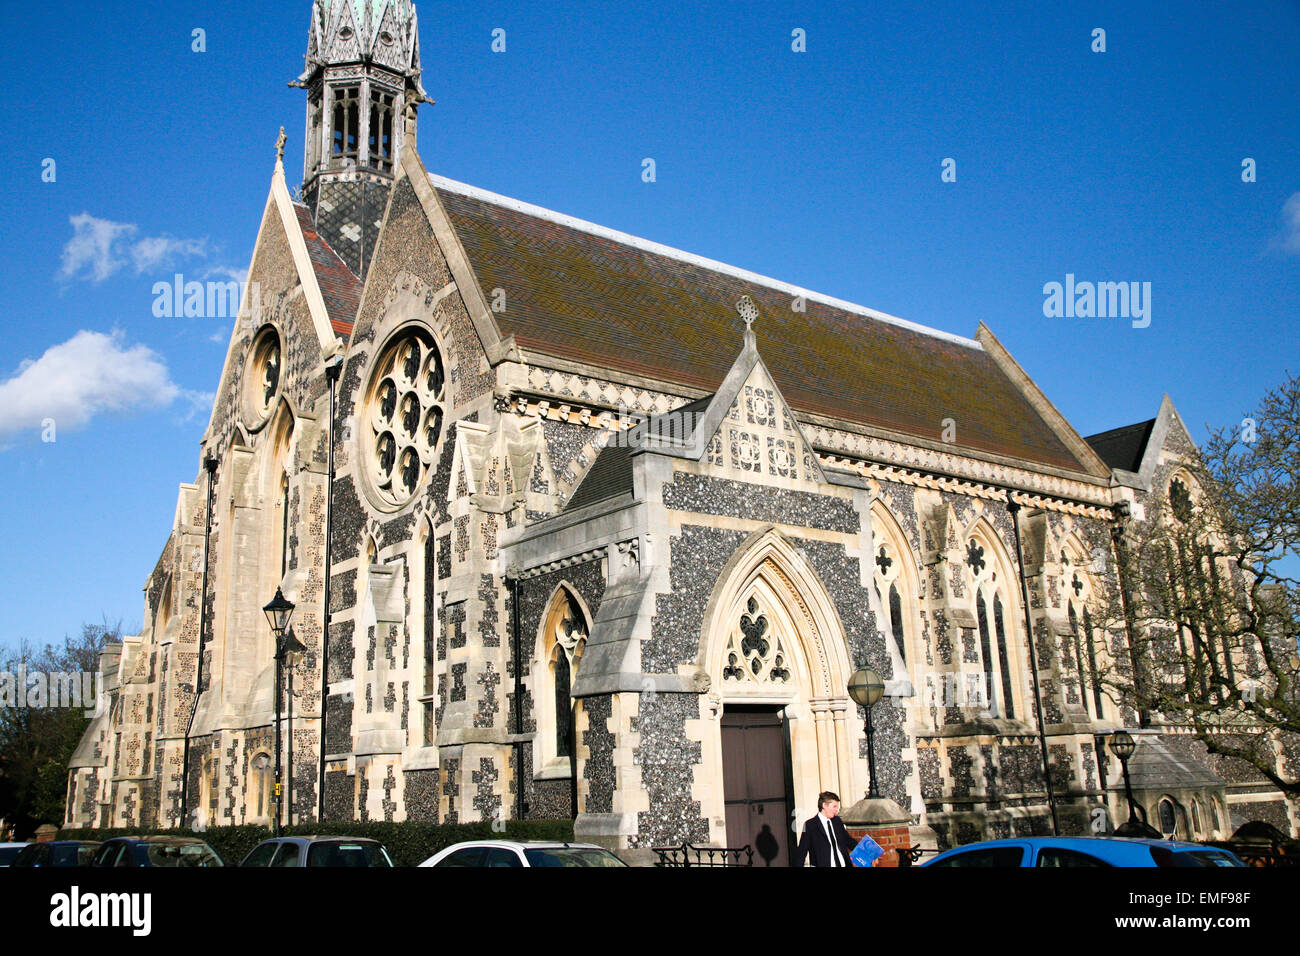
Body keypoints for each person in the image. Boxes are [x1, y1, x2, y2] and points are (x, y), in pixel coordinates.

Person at [793, 791, 859, 867]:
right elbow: (802, 852)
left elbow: (849, 841)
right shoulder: (811, 825)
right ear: (824, 805)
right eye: (834, 806)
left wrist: (867, 852)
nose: (837, 810)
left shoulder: (837, 821)